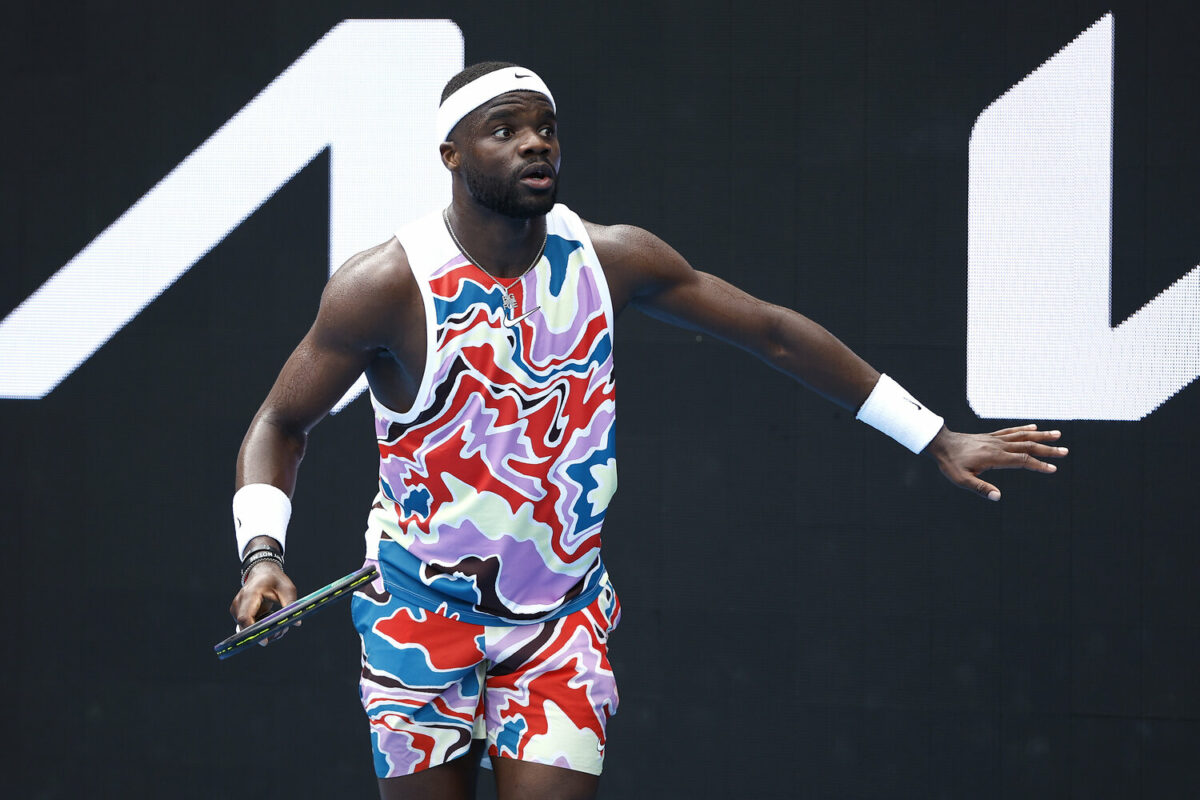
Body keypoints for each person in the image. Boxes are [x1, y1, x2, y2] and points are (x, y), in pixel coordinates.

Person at [227, 62, 1068, 800]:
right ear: (451, 156)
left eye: (546, 129)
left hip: (558, 621)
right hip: (417, 616)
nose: (535, 145)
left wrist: (934, 435)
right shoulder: (385, 287)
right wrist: (263, 555)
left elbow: (771, 331)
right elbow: (281, 421)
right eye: (505, 130)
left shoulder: (611, 257)